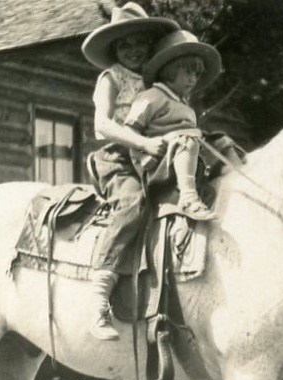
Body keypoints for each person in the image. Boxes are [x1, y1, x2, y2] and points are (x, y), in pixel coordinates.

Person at [81, 2, 180, 341]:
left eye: (141, 42)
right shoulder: (111, 78)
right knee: (134, 203)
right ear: (114, 49)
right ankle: (99, 294)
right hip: (118, 157)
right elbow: (103, 124)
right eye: (125, 44)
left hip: (154, 156)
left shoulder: (157, 80)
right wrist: (143, 143)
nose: (134, 50)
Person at [127, 30, 223, 222]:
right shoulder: (152, 96)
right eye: (187, 72)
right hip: (158, 161)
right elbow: (130, 131)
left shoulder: (183, 104)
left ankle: (239, 182)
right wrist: (141, 155)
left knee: (222, 142)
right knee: (186, 139)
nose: (192, 80)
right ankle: (188, 198)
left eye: (196, 74)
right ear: (170, 69)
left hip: (184, 159)